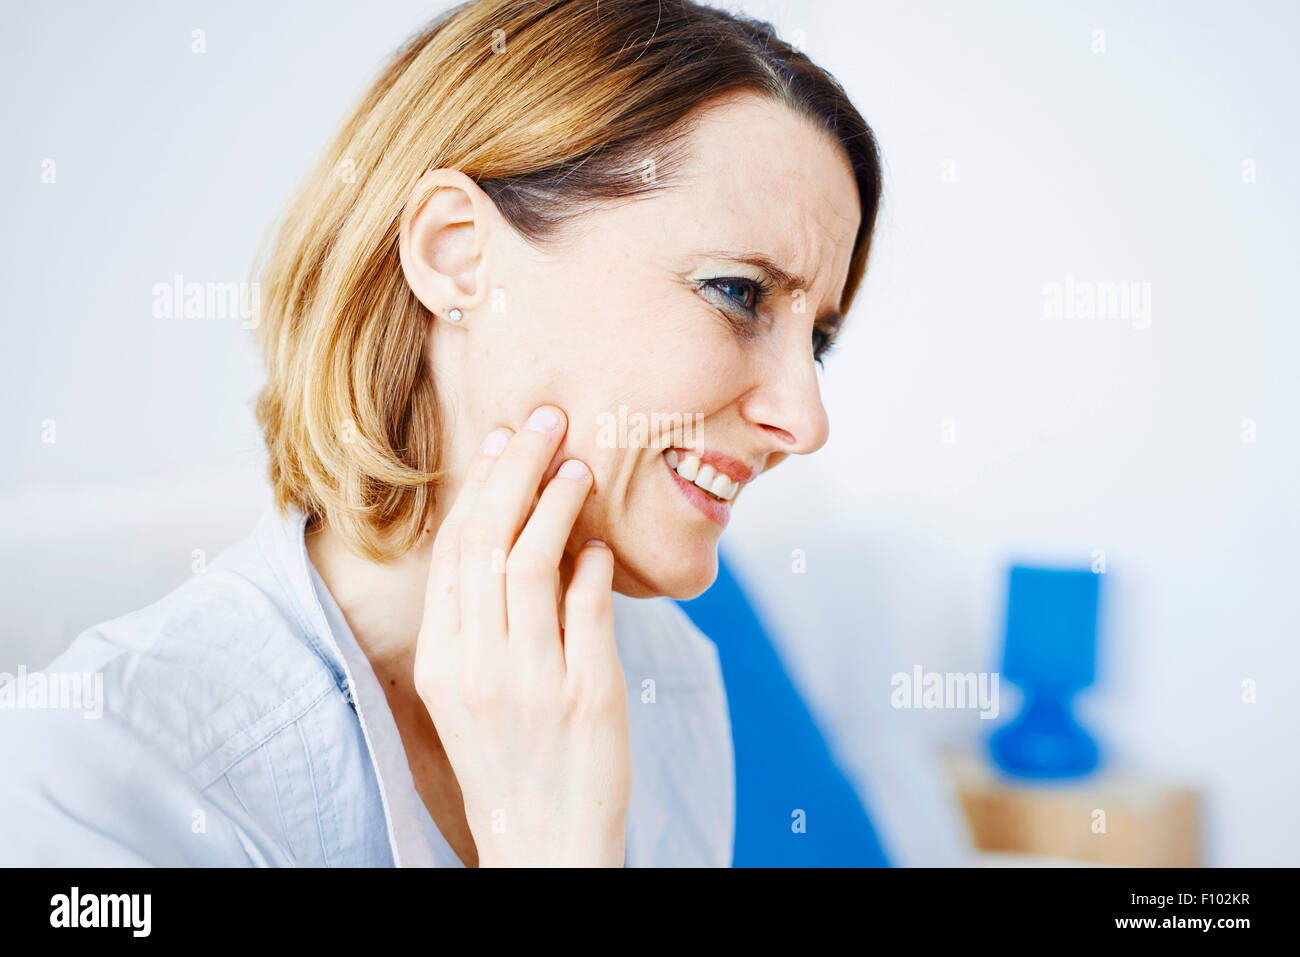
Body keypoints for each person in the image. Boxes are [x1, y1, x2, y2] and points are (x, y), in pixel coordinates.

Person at [0, 0, 882, 867]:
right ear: (459, 252)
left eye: (819, 340)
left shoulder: (664, 678)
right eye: (737, 291)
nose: (804, 422)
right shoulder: (96, 776)